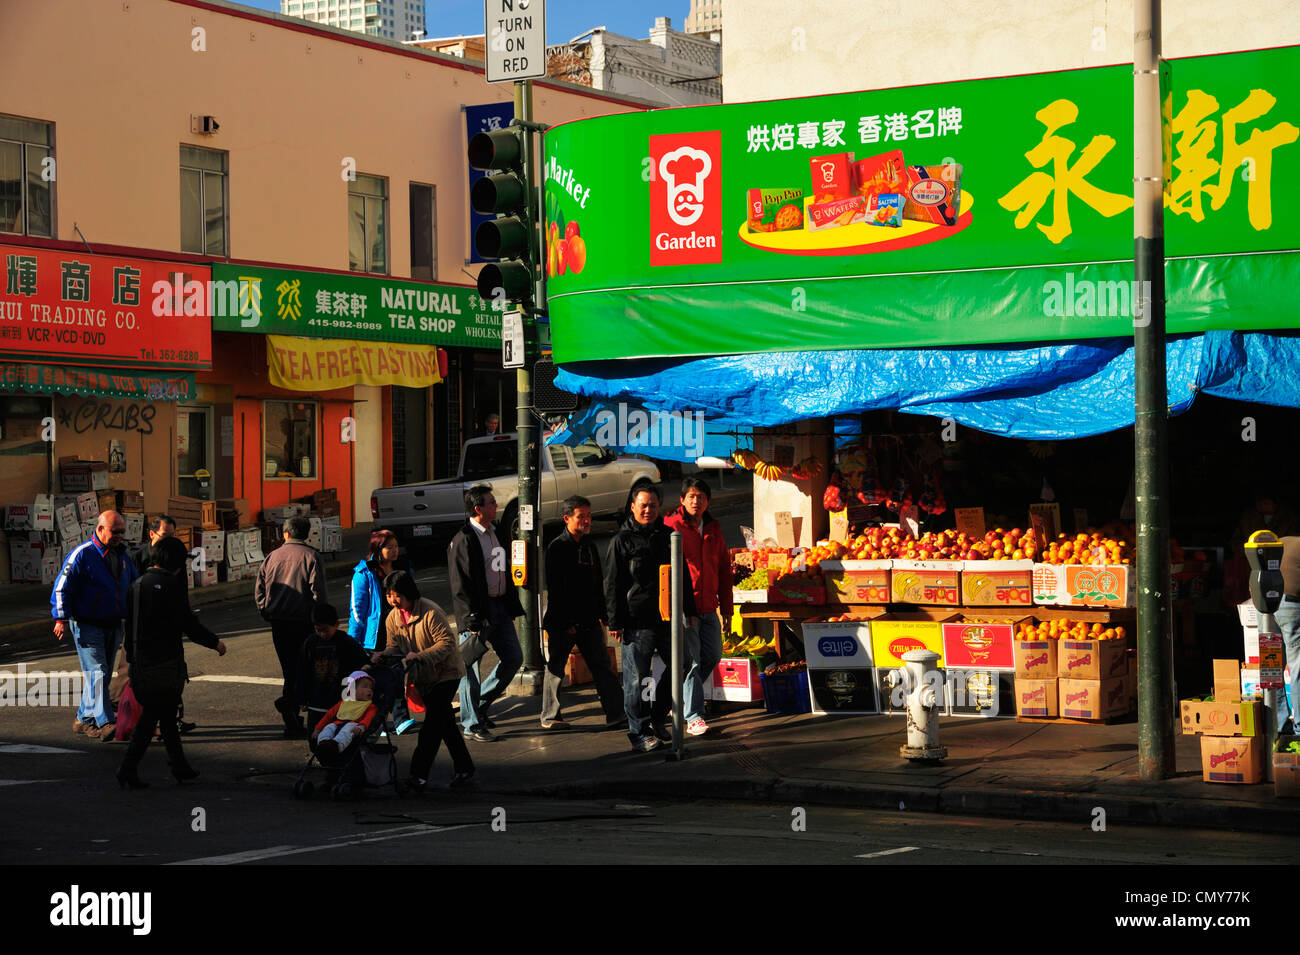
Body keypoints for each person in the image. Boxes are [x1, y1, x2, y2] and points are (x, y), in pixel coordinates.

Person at [116, 536, 227, 789]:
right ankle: (128, 768)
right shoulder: (171, 585)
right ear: (175, 562)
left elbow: (129, 629)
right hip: (164, 663)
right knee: (153, 717)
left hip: (142, 664)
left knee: (165, 716)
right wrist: (215, 643)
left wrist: (132, 660)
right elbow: (188, 623)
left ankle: (179, 766)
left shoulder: (136, 585)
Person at [605, 483, 697, 753]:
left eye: (653, 505)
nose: (648, 510)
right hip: (636, 621)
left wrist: (689, 609)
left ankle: (658, 715)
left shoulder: (668, 536)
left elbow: (682, 575)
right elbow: (612, 584)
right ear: (632, 507)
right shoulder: (621, 541)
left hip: (667, 618)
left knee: (682, 663)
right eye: (643, 505)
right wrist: (615, 621)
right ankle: (639, 731)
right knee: (638, 678)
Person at [376, 571, 474, 791]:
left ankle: (418, 775)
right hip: (422, 678)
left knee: (431, 727)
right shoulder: (392, 617)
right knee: (445, 724)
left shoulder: (430, 612)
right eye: (389, 595)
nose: (392, 600)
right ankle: (465, 768)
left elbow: (446, 643)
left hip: (446, 674)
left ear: (408, 593)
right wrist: (382, 655)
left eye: (396, 595)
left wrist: (420, 656)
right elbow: (393, 646)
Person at [51, 510, 139, 741]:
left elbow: (135, 584)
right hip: (87, 625)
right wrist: (60, 618)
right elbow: (62, 587)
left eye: (122, 531)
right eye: (115, 531)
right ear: (100, 529)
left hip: (113, 623)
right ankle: (106, 721)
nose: (120, 535)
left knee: (101, 675)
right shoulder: (82, 554)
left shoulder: (122, 556)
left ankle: (83, 719)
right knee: (98, 673)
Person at [541, 495, 624, 731]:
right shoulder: (557, 547)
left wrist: (605, 616)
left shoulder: (589, 545)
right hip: (563, 622)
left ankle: (616, 713)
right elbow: (556, 589)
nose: (587, 521)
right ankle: (550, 716)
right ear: (567, 518)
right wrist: (566, 621)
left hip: (589, 620)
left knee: (602, 667)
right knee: (556, 669)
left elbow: (598, 584)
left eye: (588, 516)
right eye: (581, 516)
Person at [448, 485, 523, 742]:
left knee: (513, 658)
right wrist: (470, 618)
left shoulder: (496, 531)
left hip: (500, 607)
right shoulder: (464, 538)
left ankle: (478, 706)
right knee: (470, 668)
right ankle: (471, 724)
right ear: (478, 509)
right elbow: (460, 583)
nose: (496, 505)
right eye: (491, 502)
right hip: (477, 612)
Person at [663, 477, 733, 737]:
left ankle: (678, 699)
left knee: (713, 655)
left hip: (709, 606)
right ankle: (693, 716)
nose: (696, 501)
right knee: (692, 661)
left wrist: (727, 608)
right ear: (682, 500)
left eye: (701, 497)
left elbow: (724, 568)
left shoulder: (713, 528)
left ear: (708, 501)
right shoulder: (672, 526)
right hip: (685, 608)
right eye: (691, 496)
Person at [255, 515, 327, 737]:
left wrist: (266, 612)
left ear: (285, 533)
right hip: (304, 623)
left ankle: (291, 715)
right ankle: (291, 707)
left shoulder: (271, 557)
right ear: (307, 534)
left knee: (289, 669)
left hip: (279, 623)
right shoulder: (311, 556)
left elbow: (259, 591)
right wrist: (320, 621)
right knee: (305, 669)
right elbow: (318, 594)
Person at [296, 602, 370, 737]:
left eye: (325, 630)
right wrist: (302, 697)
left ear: (336, 624)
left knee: (337, 736)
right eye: (318, 630)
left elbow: (361, 662)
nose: (322, 634)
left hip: (340, 701)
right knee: (314, 735)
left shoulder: (346, 642)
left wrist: (365, 667)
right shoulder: (311, 643)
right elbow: (303, 671)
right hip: (316, 701)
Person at [312, 671, 380, 764]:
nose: (369, 690)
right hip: (337, 724)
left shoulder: (370, 706)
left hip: (354, 725)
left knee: (348, 729)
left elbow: (368, 718)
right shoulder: (344, 703)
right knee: (328, 728)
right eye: (365, 686)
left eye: (371, 688)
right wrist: (318, 729)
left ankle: (336, 746)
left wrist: (362, 726)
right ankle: (323, 744)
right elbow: (328, 715)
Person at [1274, 536, 1300, 734]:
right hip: (1290, 603)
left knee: (1272, 665)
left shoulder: (1278, 541)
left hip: (1264, 603)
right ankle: (1299, 728)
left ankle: (1279, 726)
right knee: (1297, 665)